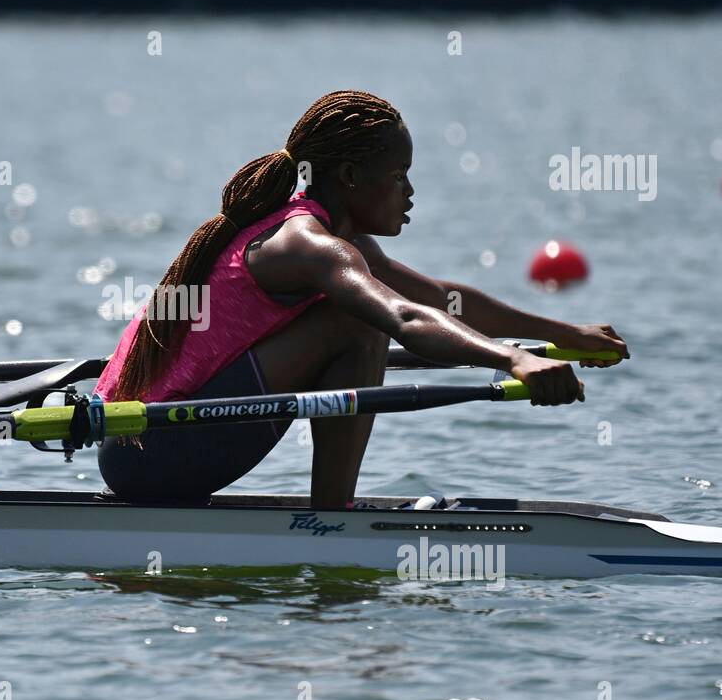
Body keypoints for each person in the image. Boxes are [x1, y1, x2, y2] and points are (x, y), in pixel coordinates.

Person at [93, 90, 627, 507]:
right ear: (349, 177)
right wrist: (514, 359)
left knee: (357, 318)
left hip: (155, 447)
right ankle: (331, 518)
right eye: (399, 177)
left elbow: (441, 299)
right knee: (356, 325)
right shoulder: (308, 243)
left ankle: (331, 512)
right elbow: (401, 317)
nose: (410, 193)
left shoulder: (328, 237)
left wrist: (560, 334)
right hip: (146, 451)